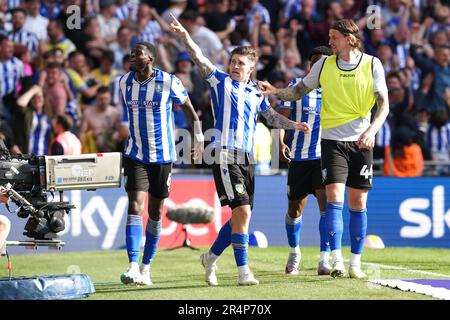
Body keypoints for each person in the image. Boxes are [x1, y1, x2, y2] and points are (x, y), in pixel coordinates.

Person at [169, 13, 311, 286]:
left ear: (251, 69)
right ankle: (244, 272)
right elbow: (199, 56)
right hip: (223, 153)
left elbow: (270, 118)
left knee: (239, 215)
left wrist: (294, 125)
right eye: (233, 61)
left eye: (241, 63)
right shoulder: (219, 81)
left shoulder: (257, 94)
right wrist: (184, 35)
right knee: (243, 212)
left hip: (247, 158)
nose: (235, 66)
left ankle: (210, 257)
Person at [258, 19, 390, 279]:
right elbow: (297, 91)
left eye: (334, 37)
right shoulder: (323, 65)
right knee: (334, 201)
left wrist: (371, 131)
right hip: (331, 143)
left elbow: (383, 104)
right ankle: (337, 260)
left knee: (359, 202)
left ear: (349, 39)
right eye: (329, 37)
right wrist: (274, 90)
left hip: (361, 141)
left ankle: (355, 262)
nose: (330, 42)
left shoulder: (373, 64)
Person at [118, 41, 203, 286]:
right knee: (135, 206)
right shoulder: (124, 82)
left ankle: (146, 268)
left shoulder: (169, 81)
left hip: (163, 157)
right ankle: (133, 266)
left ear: (150, 58)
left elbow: (188, 109)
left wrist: (197, 138)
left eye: (138, 54)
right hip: (135, 155)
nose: (132, 56)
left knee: (155, 212)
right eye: (131, 53)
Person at [277, 46, 333, 276]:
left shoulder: (335, 89)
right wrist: (280, 143)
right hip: (299, 157)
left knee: (327, 208)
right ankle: (295, 251)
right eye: (317, 63)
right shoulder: (296, 87)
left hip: (324, 157)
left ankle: (324, 259)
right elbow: (282, 118)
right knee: (294, 209)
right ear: (311, 66)